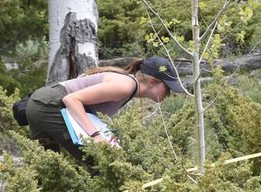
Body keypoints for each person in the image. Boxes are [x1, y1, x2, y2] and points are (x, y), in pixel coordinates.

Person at [25, 56, 186, 161]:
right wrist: (95, 135)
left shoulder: (127, 85)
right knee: (100, 161)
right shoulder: (125, 86)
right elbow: (71, 99)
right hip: (49, 106)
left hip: (43, 103)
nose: (169, 94)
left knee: (50, 170)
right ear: (152, 82)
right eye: (168, 88)